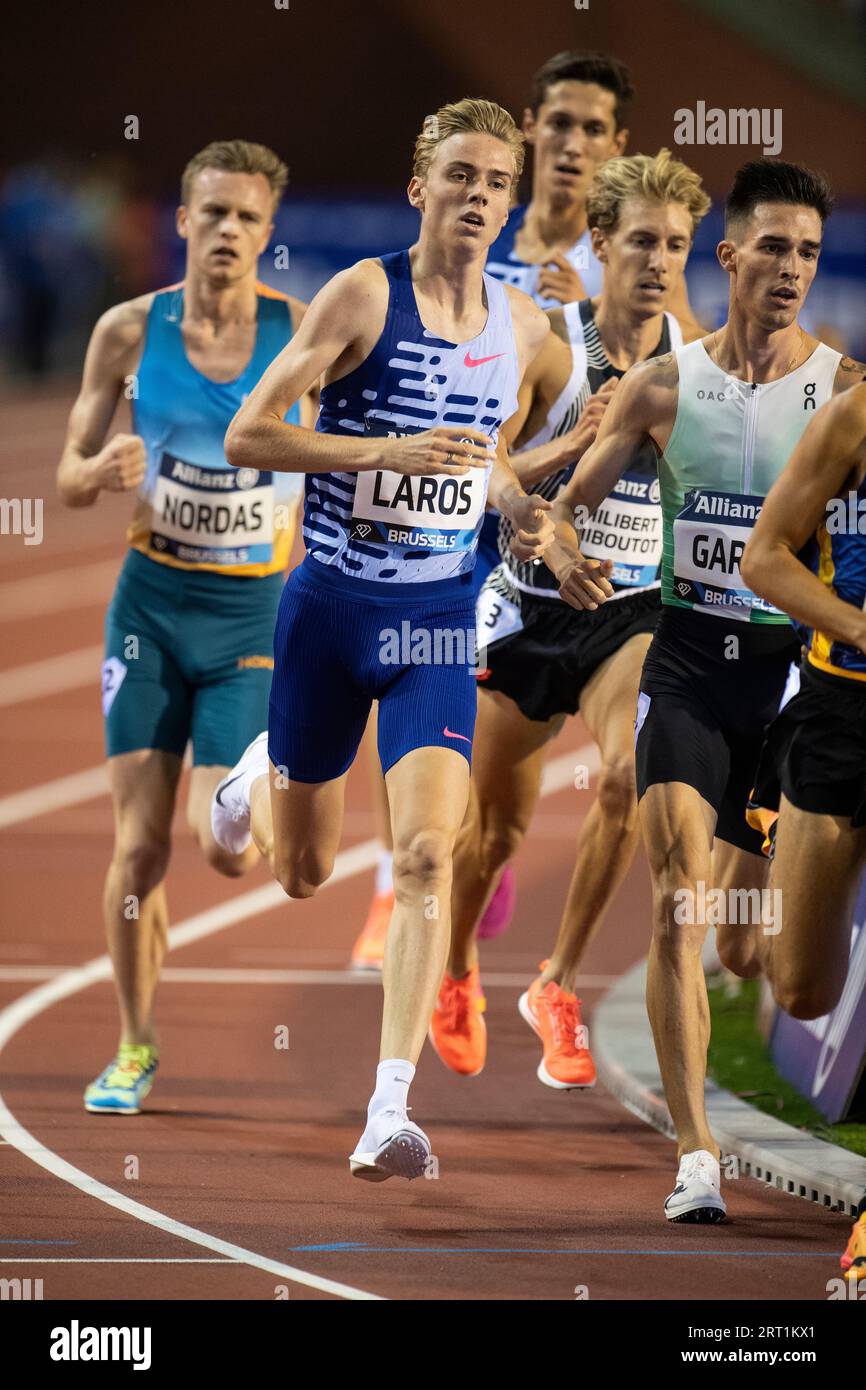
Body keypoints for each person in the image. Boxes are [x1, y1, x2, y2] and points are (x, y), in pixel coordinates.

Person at [211, 98, 554, 1181]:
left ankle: (387, 1109)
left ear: (512, 201)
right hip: (327, 611)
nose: (477, 197)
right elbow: (248, 431)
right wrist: (375, 454)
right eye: (458, 176)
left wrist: (519, 503)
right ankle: (254, 777)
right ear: (420, 188)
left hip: (436, 622)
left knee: (421, 855)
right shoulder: (363, 294)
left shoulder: (526, 329)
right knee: (306, 871)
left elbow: (489, 451)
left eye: (497, 183)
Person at [546, 158, 857, 1221]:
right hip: (682, 663)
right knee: (678, 903)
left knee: (744, 946)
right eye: (769, 245)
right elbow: (567, 506)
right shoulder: (662, 385)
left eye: (807, 251)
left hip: (785, 683)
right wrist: (550, 542)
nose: (788, 267)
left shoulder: (842, 393)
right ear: (725, 256)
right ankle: (693, 1156)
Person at [429, 150, 709, 1080]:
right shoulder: (549, 341)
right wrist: (548, 512)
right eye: (639, 242)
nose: (658, 261)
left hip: (626, 614)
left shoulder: (694, 355)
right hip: (524, 609)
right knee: (492, 837)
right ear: (599, 245)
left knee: (631, 772)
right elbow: (487, 463)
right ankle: (460, 961)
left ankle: (557, 980)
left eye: (675, 244)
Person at [56, 140, 313, 1115]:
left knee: (225, 850)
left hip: (250, 612)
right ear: (182, 219)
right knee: (137, 851)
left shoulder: (300, 336)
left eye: (246, 218)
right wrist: (99, 472)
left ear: (267, 233)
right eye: (212, 214)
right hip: (150, 612)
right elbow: (70, 475)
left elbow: (340, 448)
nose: (227, 232)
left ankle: (253, 781)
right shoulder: (128, 330)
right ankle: (133, 1043)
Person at [739, 382, 866, 1271]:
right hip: (838, 716)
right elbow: (765, 560)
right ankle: (781, 828)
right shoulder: (855, 419)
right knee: (802, 987)